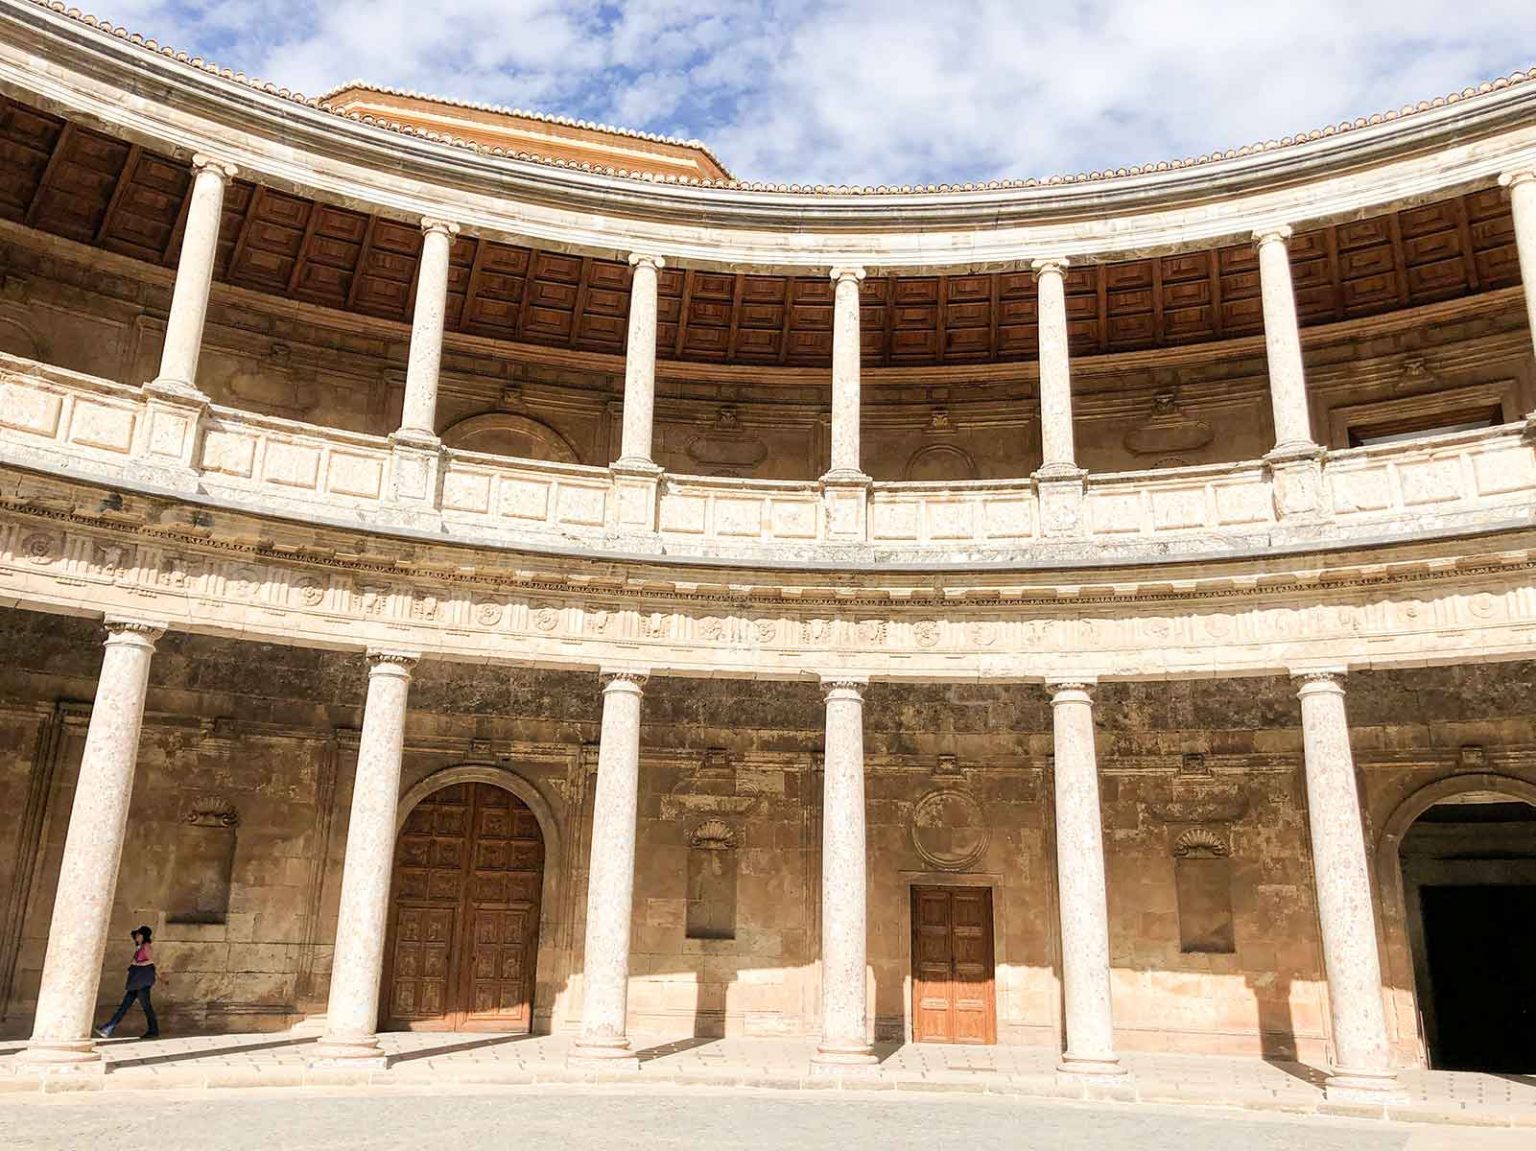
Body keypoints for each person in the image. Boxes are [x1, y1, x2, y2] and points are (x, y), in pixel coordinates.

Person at [95, 925, 159, 1039]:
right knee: (125, 1006)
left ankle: (153, 1030)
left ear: (143, 936)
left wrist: (136, 964)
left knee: (146, 1007)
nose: (136, 937)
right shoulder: (140, 947)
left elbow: (151, 961)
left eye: (139, 935)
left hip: (141, 982)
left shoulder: (146, 946)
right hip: (136, 982)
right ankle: (108, 1028)